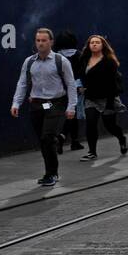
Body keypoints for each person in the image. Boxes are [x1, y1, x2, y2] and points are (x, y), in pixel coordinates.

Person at [10, 27, 77, 187]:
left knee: (48, 138)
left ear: (51, 42)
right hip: (37, 105)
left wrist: (71, 107)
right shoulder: (29, 62)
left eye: (44, 40)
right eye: (38, 40)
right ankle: (50, 171)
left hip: (56, 104)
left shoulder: (61, 61)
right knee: (43, 140)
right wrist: (16, 103)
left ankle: (51, 173)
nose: (40, 43)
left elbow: (71, 85)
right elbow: (22, 83)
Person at [79, 34, 128, 160]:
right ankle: (92, 152)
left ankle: (121, 138)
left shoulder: (109, 62)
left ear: (102, 45)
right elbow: (81, 76)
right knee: (90, 123)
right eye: (92, 42)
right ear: (88, 46)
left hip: (107, 98)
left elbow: (112, 84)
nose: (94, 44)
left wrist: (110, 104)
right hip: (91, 98)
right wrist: (80, 87)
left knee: (110, 126)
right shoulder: (84, 59)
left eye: (97, 42)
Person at [54, 29, 85, 152]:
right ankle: (62, 137)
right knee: (74, 112)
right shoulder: (79, 54)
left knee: (68, 113)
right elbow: (83, 72)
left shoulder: (56, 56)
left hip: (60, 87)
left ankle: (74, 141)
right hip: (76, 86)